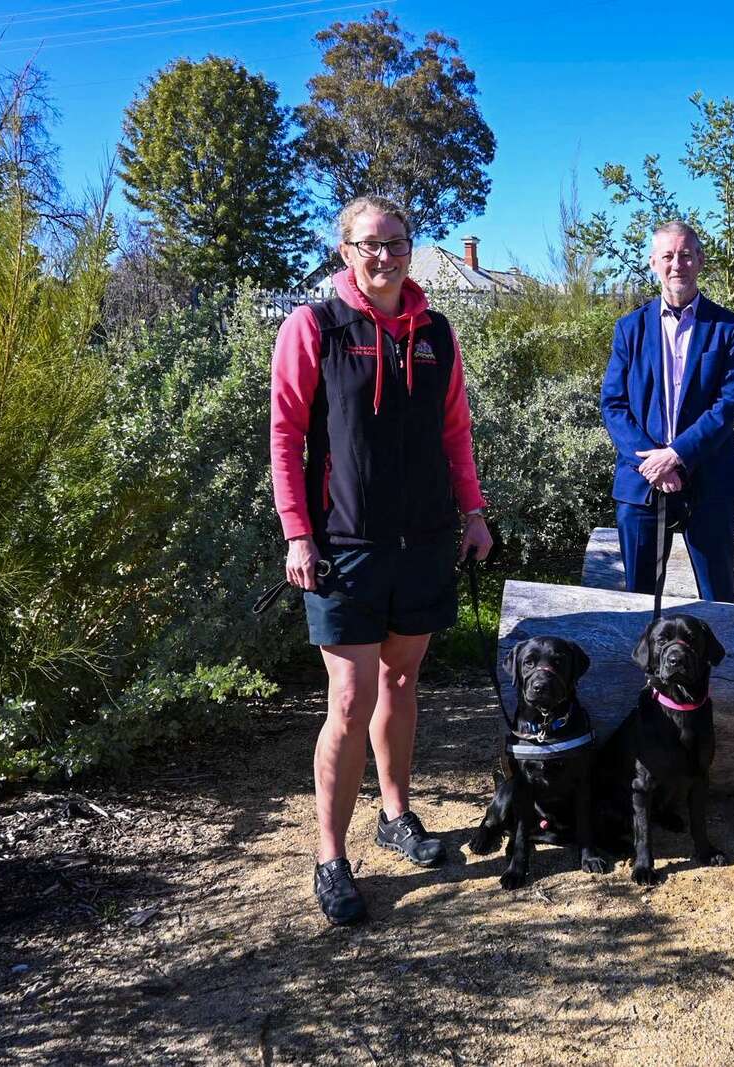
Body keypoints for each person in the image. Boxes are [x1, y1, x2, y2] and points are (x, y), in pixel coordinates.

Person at [269, 196, 493, 925]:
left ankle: (395, 815)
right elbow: (285, 437)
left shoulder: (437, 333)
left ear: (409, 248)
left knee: (401, 680)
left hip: (424, 540)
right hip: (343, 546)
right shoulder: (315, 327)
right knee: (349, 699)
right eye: (370, 244)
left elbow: (455, 431)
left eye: (396, 243)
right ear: (346, 251)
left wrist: (474, 514)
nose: (385, 256)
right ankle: (331, 857)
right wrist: (297, 534)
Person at [600, 221, 734, 603]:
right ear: (653, 263)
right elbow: (613, 404)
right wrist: (654, 463)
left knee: (719, 600)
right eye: (668, 256)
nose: (677, 264)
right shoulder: (629, 329)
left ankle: (718, 649)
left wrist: (676, 455)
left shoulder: (728, 328)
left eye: (685, 255)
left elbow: (727, 404)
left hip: (710, 480)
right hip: (642, 482)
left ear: (700, 260)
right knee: (639, 603)